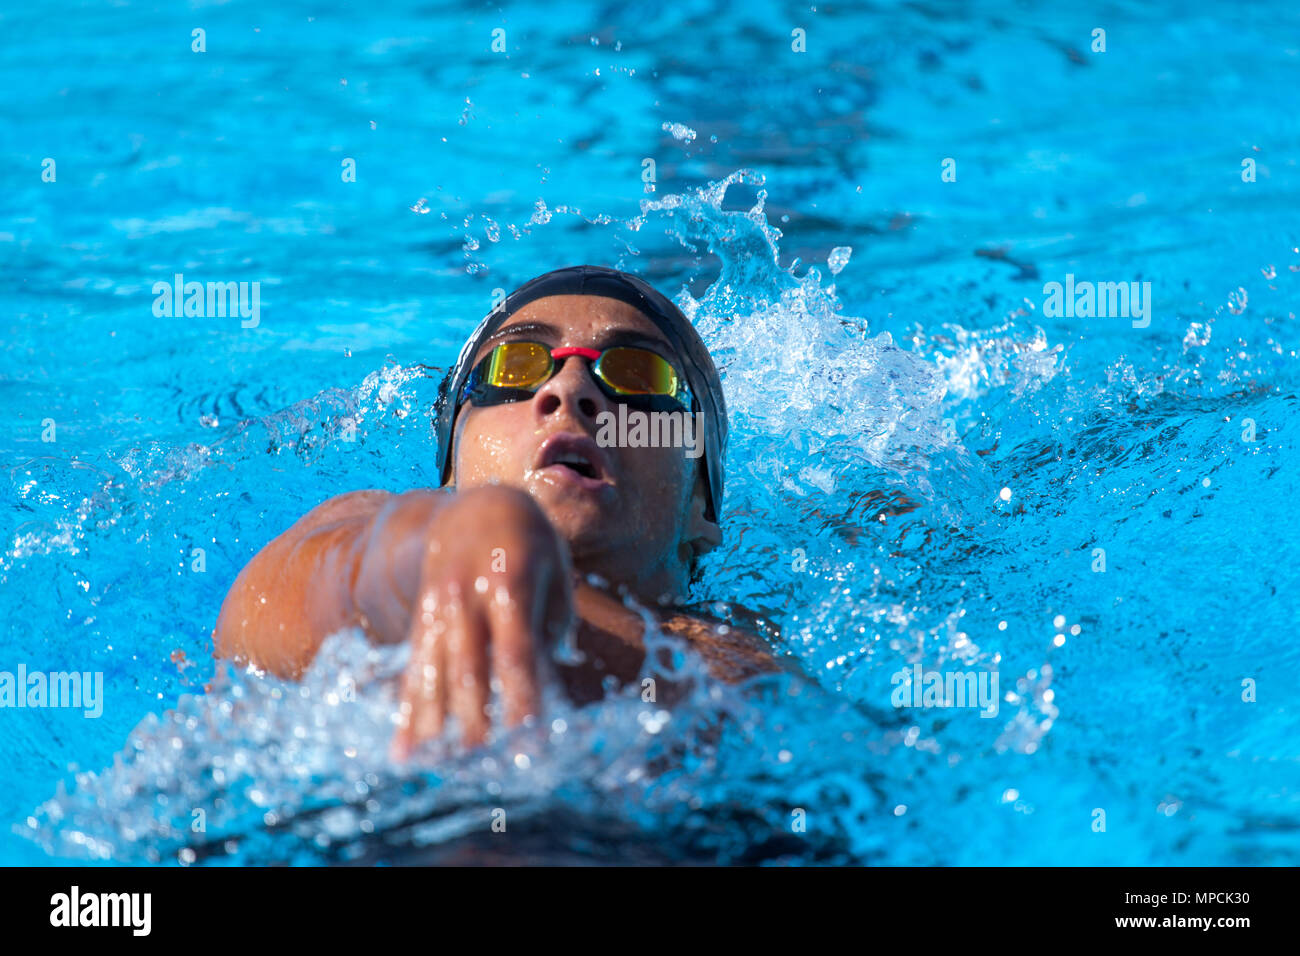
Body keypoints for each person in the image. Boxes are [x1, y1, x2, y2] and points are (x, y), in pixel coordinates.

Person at [212, 264, 781, 761]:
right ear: (451, 469)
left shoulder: (741, 663)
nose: (570, 389)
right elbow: (283, 599)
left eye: (638, 374)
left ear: (698, 504)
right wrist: (445, 542)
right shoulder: (382, 539)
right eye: (516, 365)